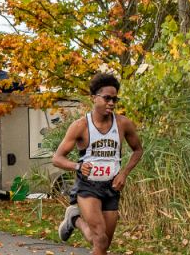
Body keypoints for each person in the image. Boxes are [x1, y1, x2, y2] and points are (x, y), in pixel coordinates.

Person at [53, 73, 144, 255]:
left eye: (114, 99)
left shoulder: (123, 124)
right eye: (107, 98)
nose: (111, 103)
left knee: (102, 244)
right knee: (100, 238)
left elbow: (138, 150)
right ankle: (76, 218)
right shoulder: (81, 126)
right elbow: (57, 158)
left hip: (111, 187)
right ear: (94, 98)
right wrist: (78, 166)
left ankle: (74, 218)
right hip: (88, 187)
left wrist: (123, 173)